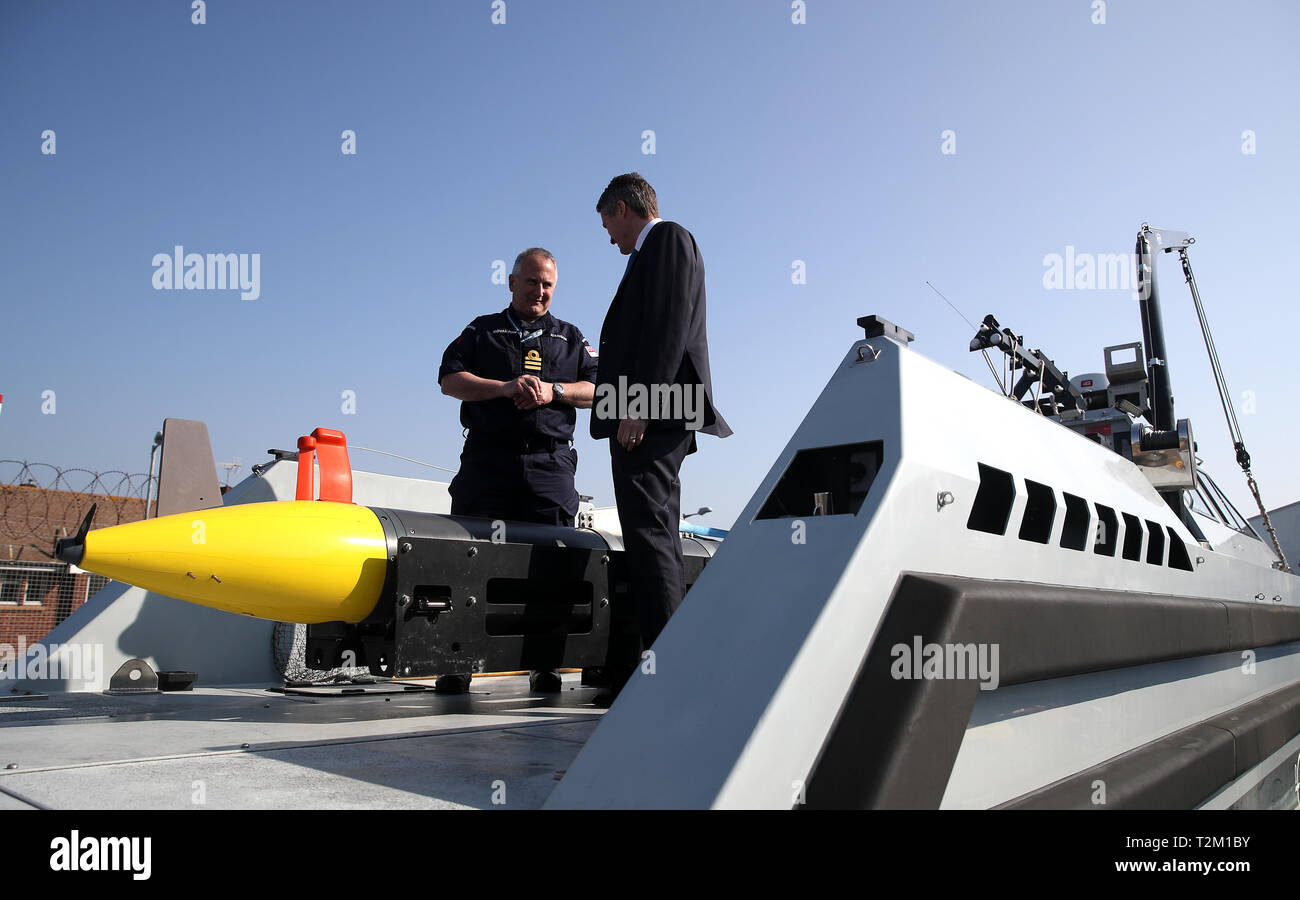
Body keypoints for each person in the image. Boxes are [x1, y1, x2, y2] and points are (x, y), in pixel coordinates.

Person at [591, 174, 731, 703]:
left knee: (650, 537)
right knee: (655, 535)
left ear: (624, 209)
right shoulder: (650, 252)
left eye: (608, 225)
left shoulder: (669, 238)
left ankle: (667, 674)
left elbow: (670, 325)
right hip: (652, 411)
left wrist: (638, 406)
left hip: (652, 414)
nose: (610, 238)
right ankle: (667, 667)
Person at [437, 247, 597, 693]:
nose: (540, 292)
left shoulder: (571, 336)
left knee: (553, 561)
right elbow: (449, 381)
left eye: (547, 285)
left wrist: (555, 390)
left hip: (550, 464)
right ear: (511, 283)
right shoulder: (481, 330)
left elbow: (599, 389)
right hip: (489, 461)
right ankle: (459, 663)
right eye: (532, 282)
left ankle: (545, 664)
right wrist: (506, 388)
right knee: (472, 557)